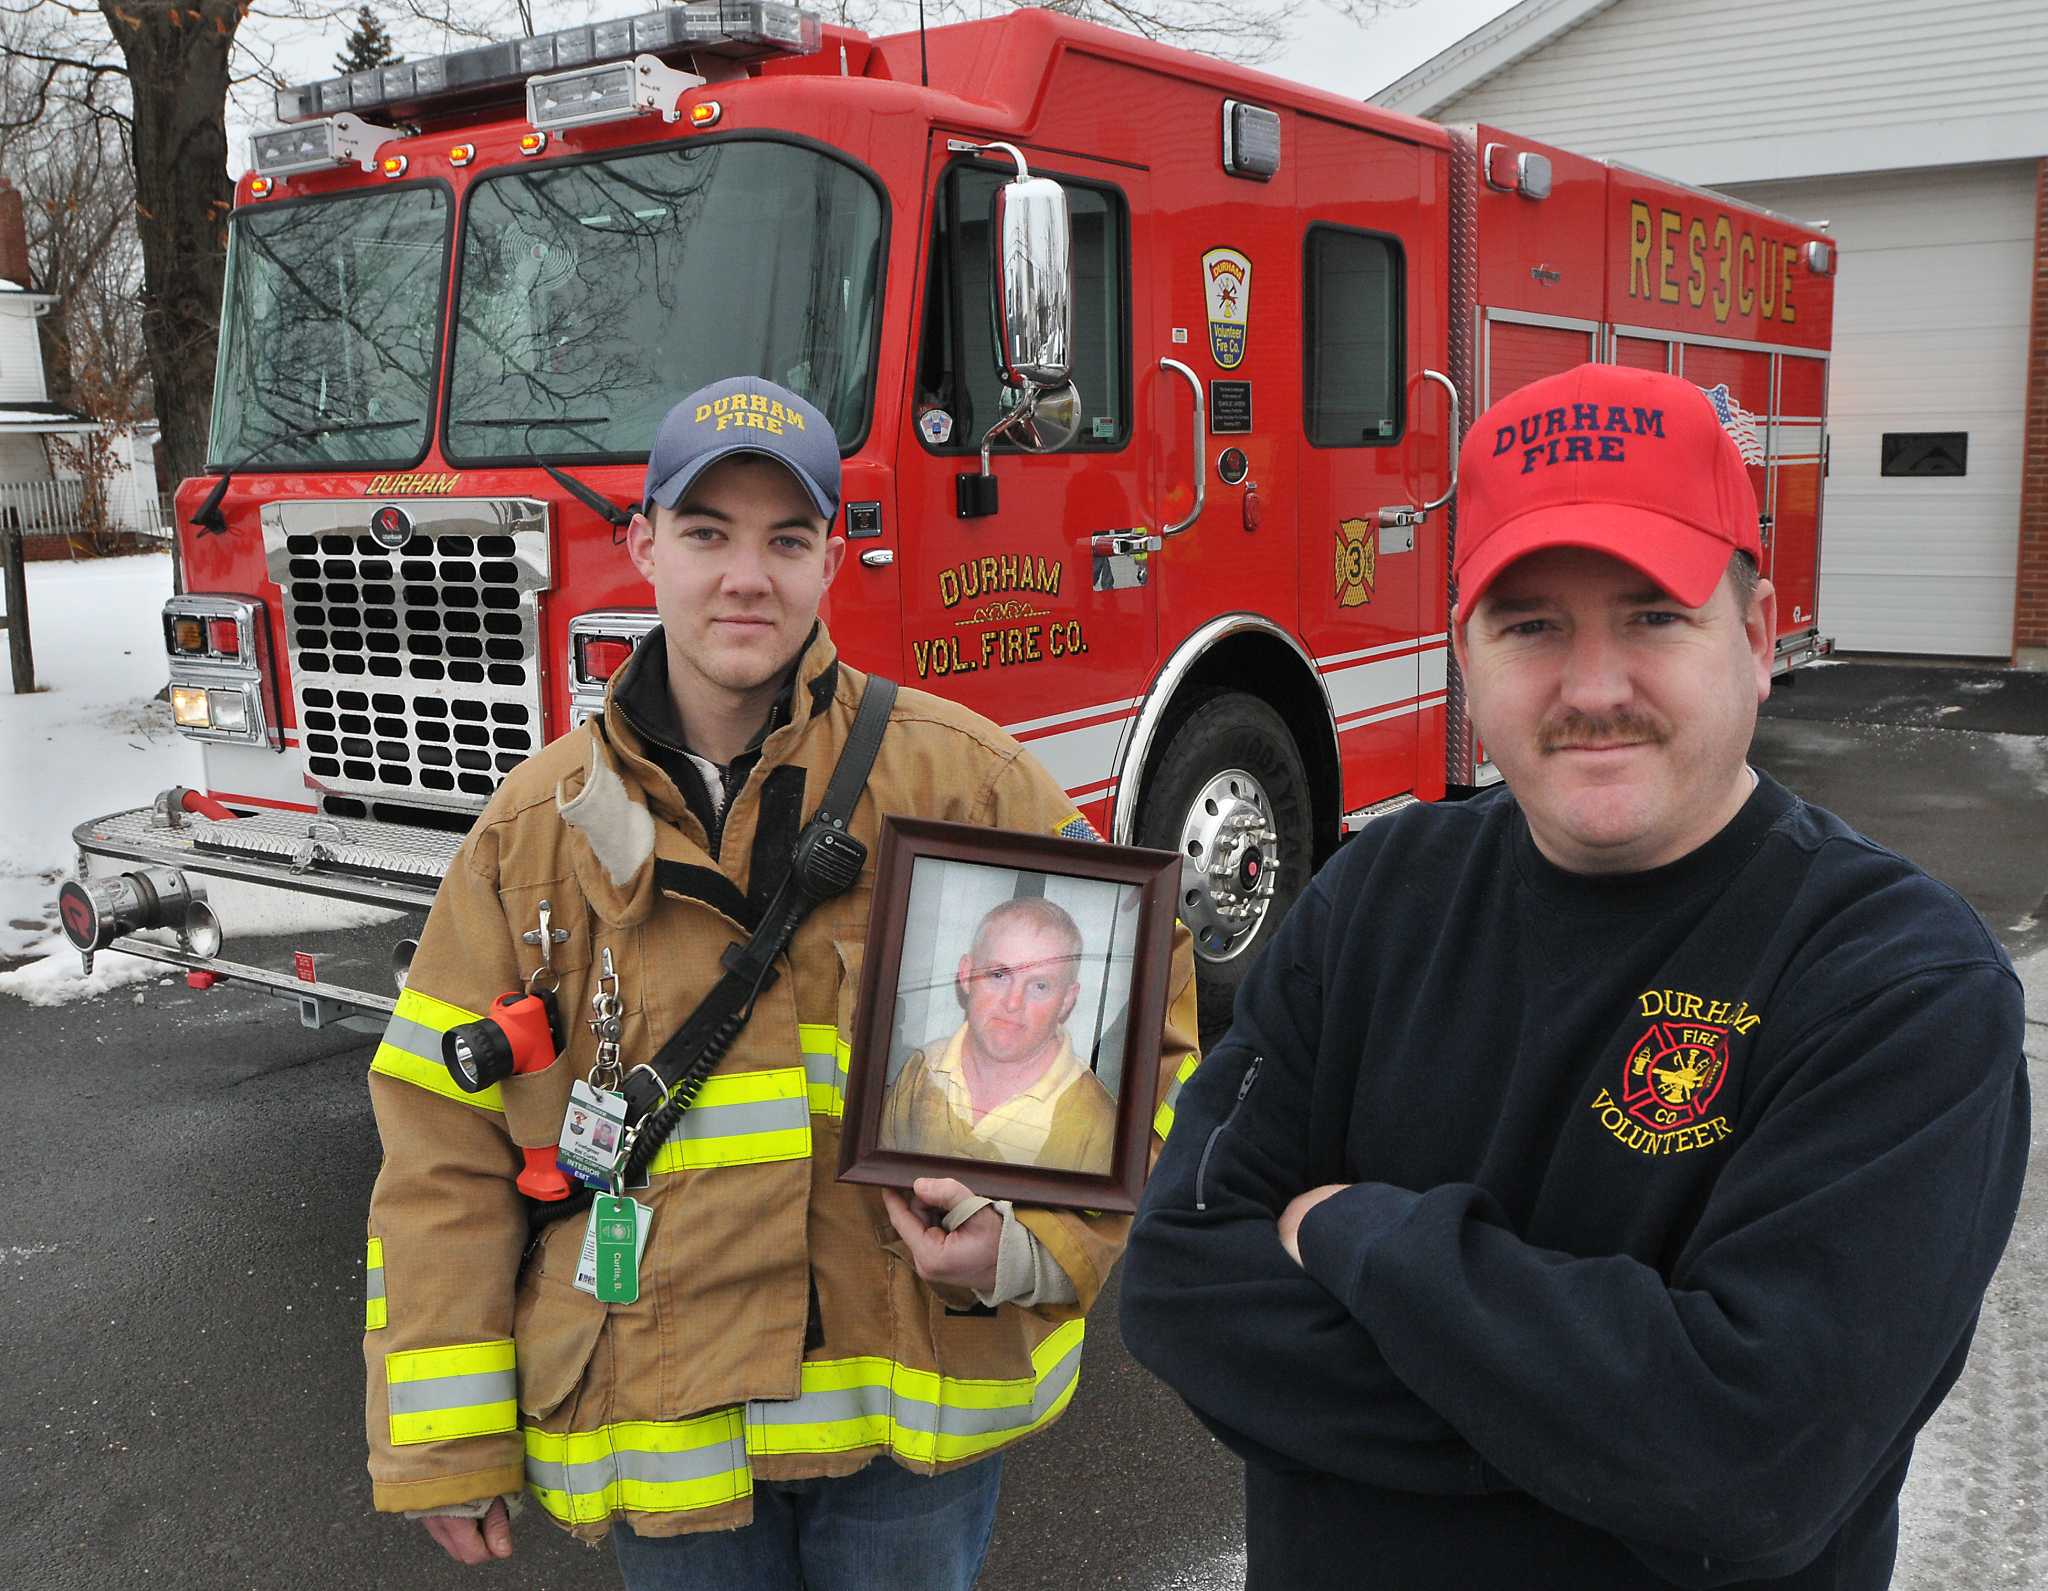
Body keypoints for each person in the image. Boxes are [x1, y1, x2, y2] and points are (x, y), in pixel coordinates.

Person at [1120, 363, 2029, 1590]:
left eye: (1652, 613)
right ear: (1465, 651)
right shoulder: (1373, 894)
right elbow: (1180, 1284)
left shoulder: (1896, 983)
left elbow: (1746, 1465)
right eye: (1531, 622)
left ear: (1756, 637)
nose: (1592, 687)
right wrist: (1602, 1417)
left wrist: (1357, 1230)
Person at [362, 375, 1199, 1589]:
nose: (744, 576)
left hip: (900, 1441)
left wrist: (1028, 1250)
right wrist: (444, 1437)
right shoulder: (531, 834)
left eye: (785, 539)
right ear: (642, 543)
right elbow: (440, 1148)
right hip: (667, 1431)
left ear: (831, 560)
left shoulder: (964, 783)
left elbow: (1147, 1036)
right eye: (706, 534)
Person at [881, 896, 1118, 1174]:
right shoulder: (920, 1069)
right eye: (998, 975)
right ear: (967, 974)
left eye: (1039, 985)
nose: (1013, 1002)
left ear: (1067, 999)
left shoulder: (1100, 1122)